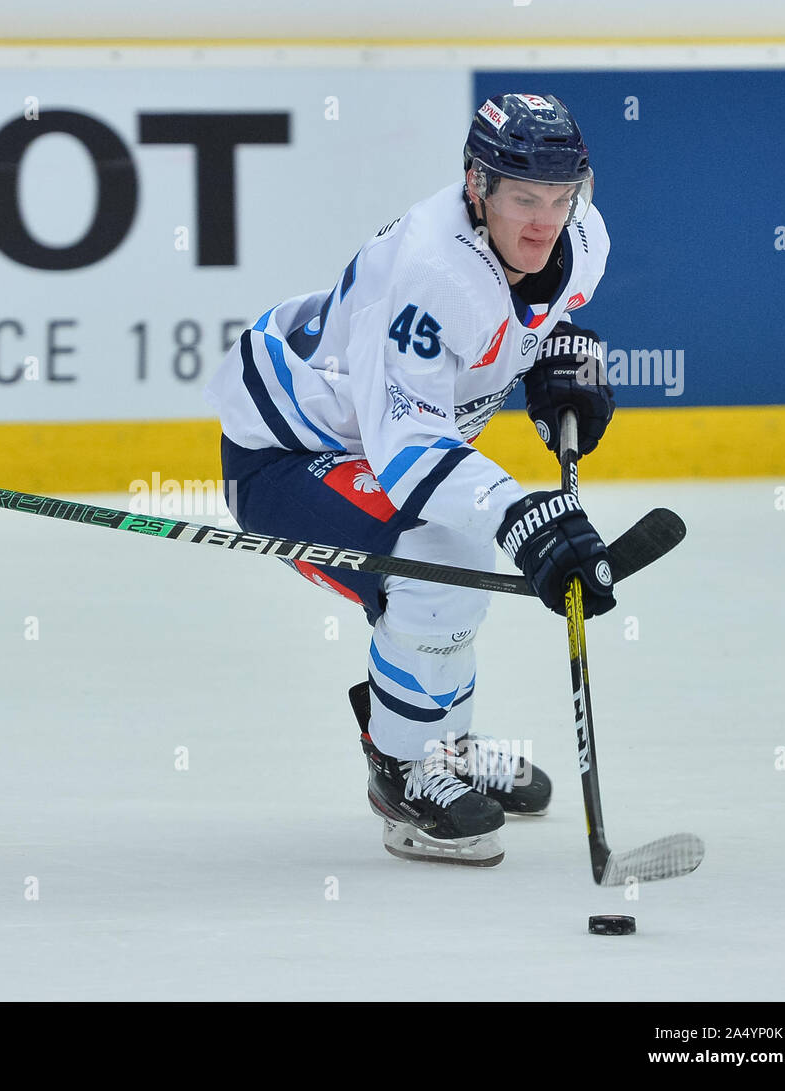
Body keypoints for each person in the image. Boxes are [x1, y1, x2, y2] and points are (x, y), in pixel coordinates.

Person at [205, 93, 617, 867]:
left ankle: (447, 745)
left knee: (455, 554)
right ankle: (402, 768)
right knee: (449, 559)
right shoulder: (432, 270)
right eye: (525, 198)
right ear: (477, 187)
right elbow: (409, 451)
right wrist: (523, 512)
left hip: (371, 443)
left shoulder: (584, 237)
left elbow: (541, 318)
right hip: (287, 454)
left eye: (562, 197)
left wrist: (565, 362)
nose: (546, 221)